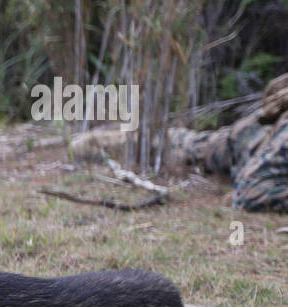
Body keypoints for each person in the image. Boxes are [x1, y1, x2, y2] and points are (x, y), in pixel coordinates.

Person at [71, 73, 288, 212]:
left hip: (240, 142)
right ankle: (103, 138)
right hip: (222, 146)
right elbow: (249, 193)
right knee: (168, 145)